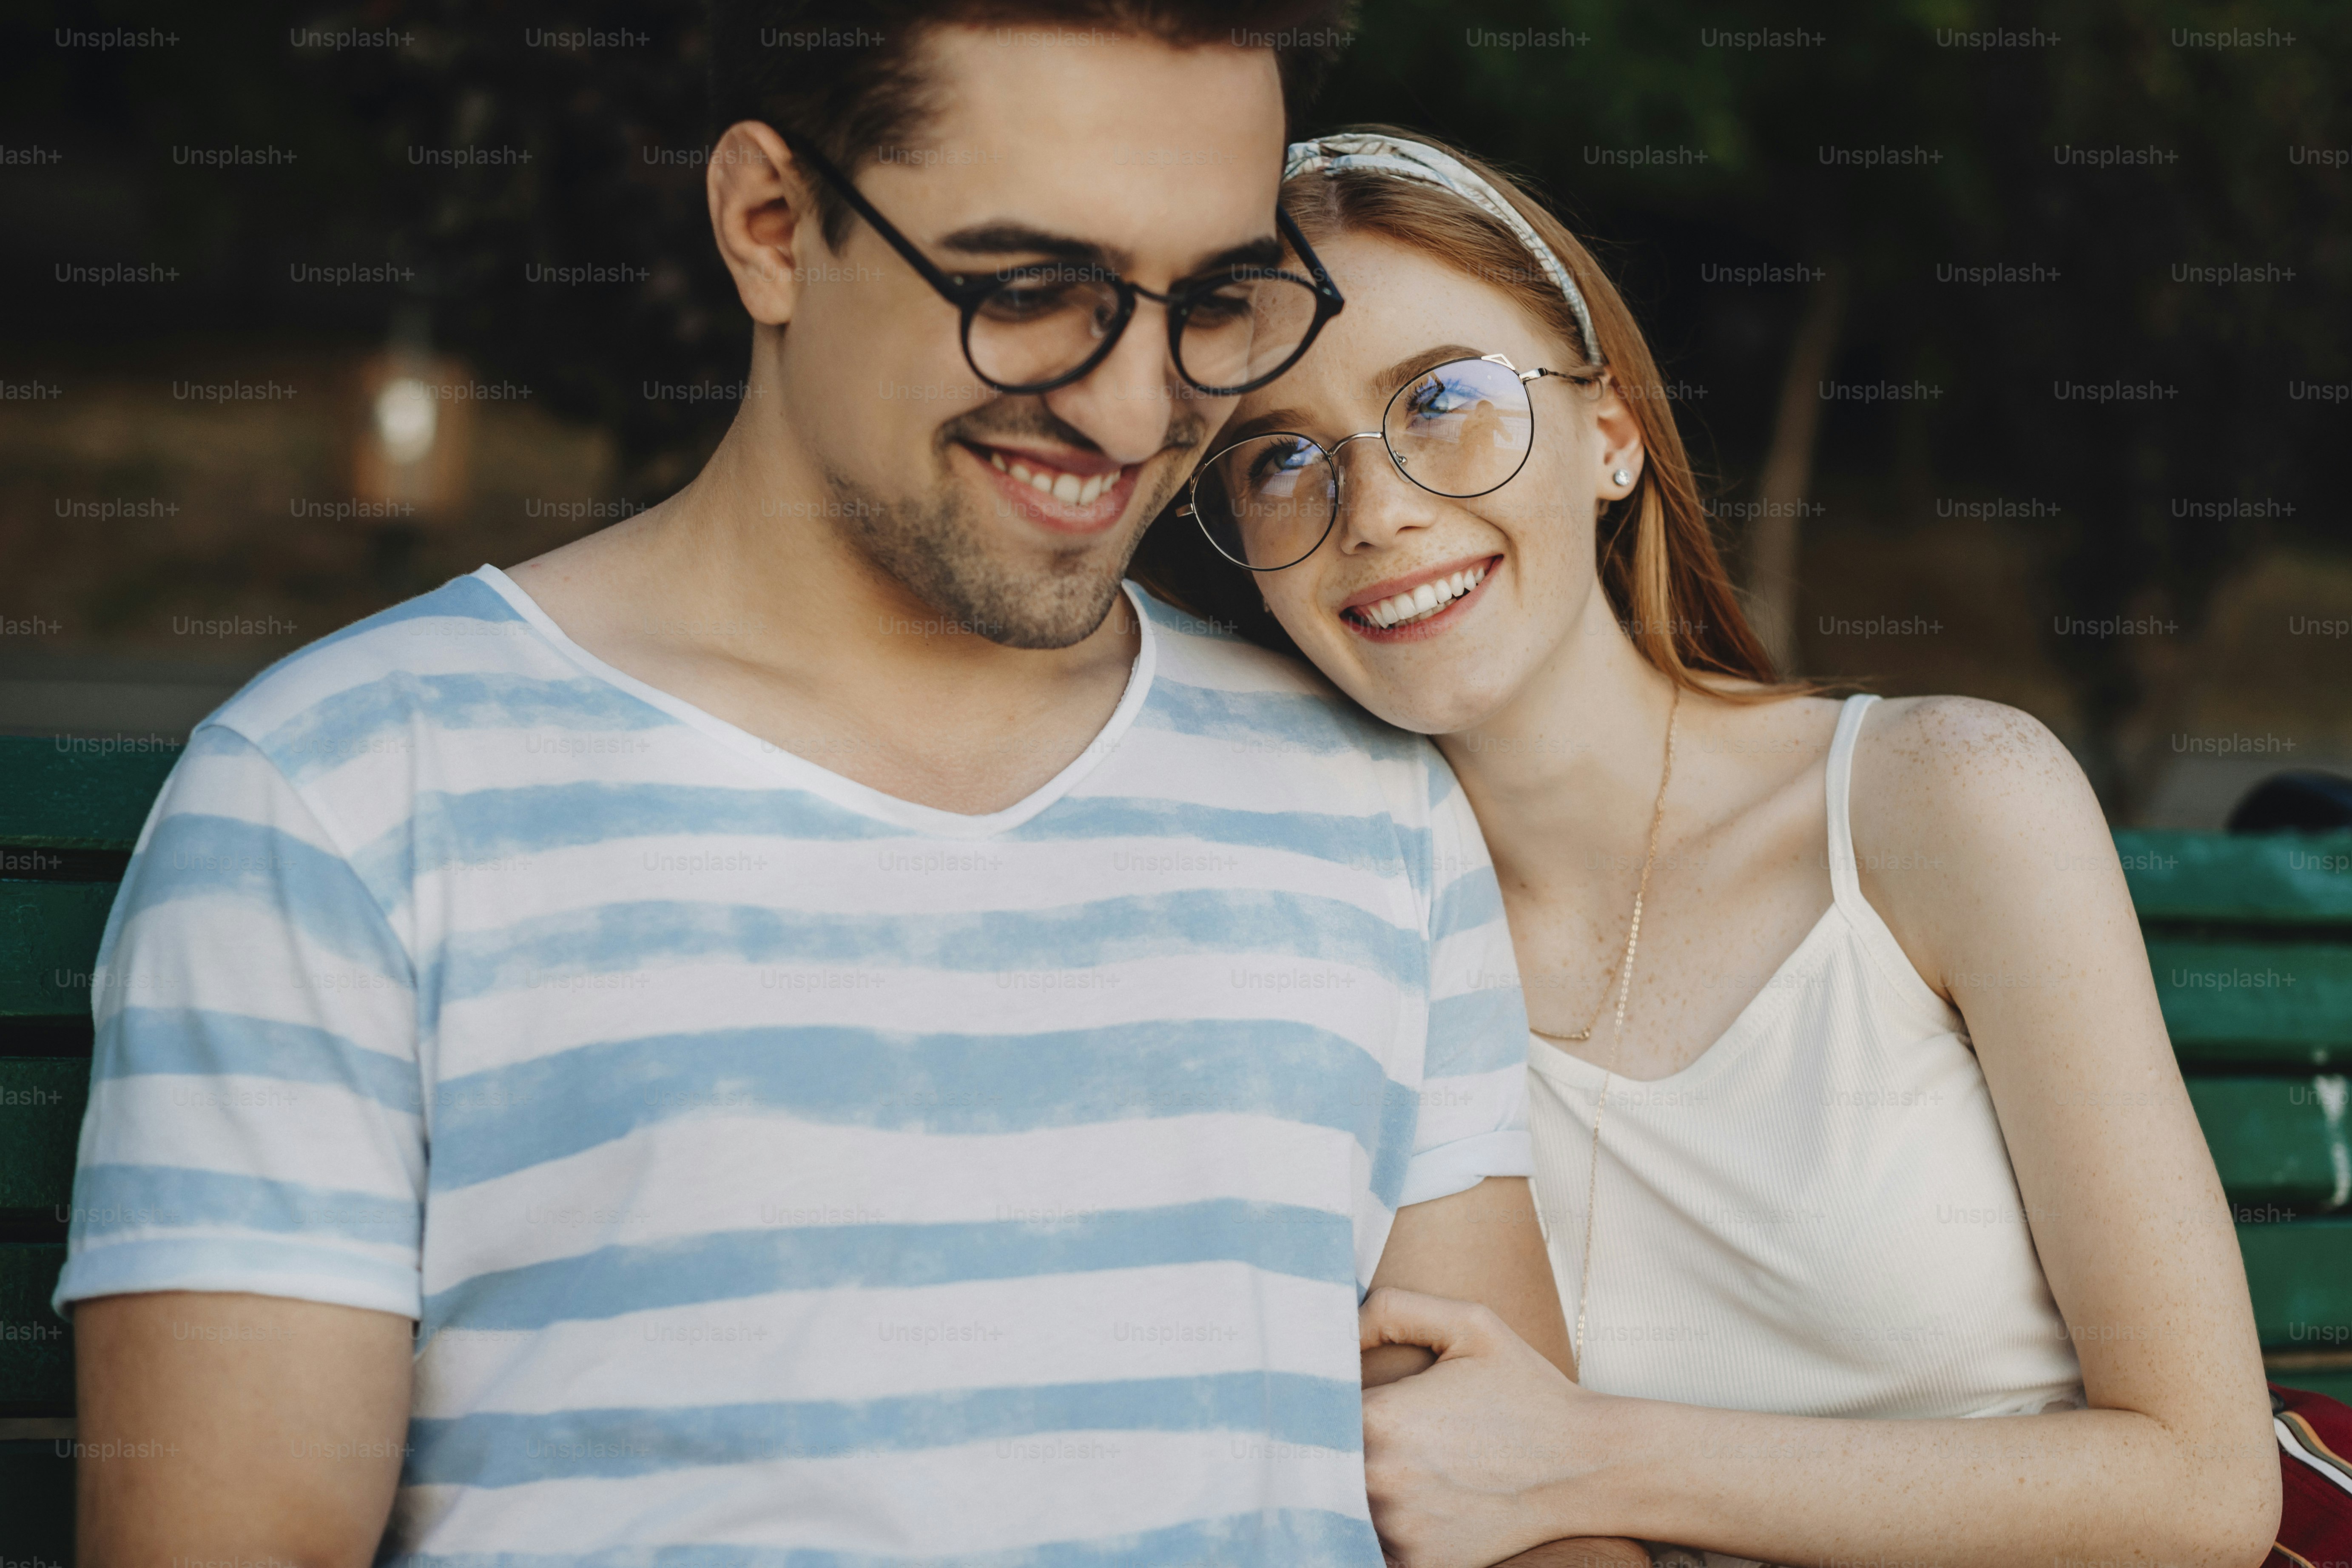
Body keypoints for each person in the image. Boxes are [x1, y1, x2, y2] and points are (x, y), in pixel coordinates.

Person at [58, 17, 1649, 1565]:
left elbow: (1518, 1511)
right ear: (769, 227)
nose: (1134, 406)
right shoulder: (342, 798)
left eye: (1217, 298)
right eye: (1032, 289)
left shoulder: (1358, 796)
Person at [1132, 130, 2284, 1568]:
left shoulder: (1941, 800)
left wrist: (1588, 1462)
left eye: (1444, 400)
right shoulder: (1333, 930)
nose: (1376, 511)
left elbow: (2203, 1490)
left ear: (1608, 436)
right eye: (1279, 458)